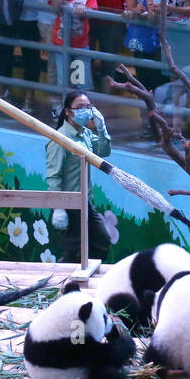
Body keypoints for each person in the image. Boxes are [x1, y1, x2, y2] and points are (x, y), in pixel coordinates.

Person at [46, 90, 112, 263]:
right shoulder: (60, 139)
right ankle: (63, 284)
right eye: (80, 107)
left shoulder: (86, 134)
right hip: (68, 204)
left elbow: (104, 152)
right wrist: (58, 208)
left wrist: (101, 127)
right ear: (68, 112)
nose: (86, 110)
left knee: (101, 242)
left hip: (85, 202)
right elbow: (54, 176)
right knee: (73, 250)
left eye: (88, 107)